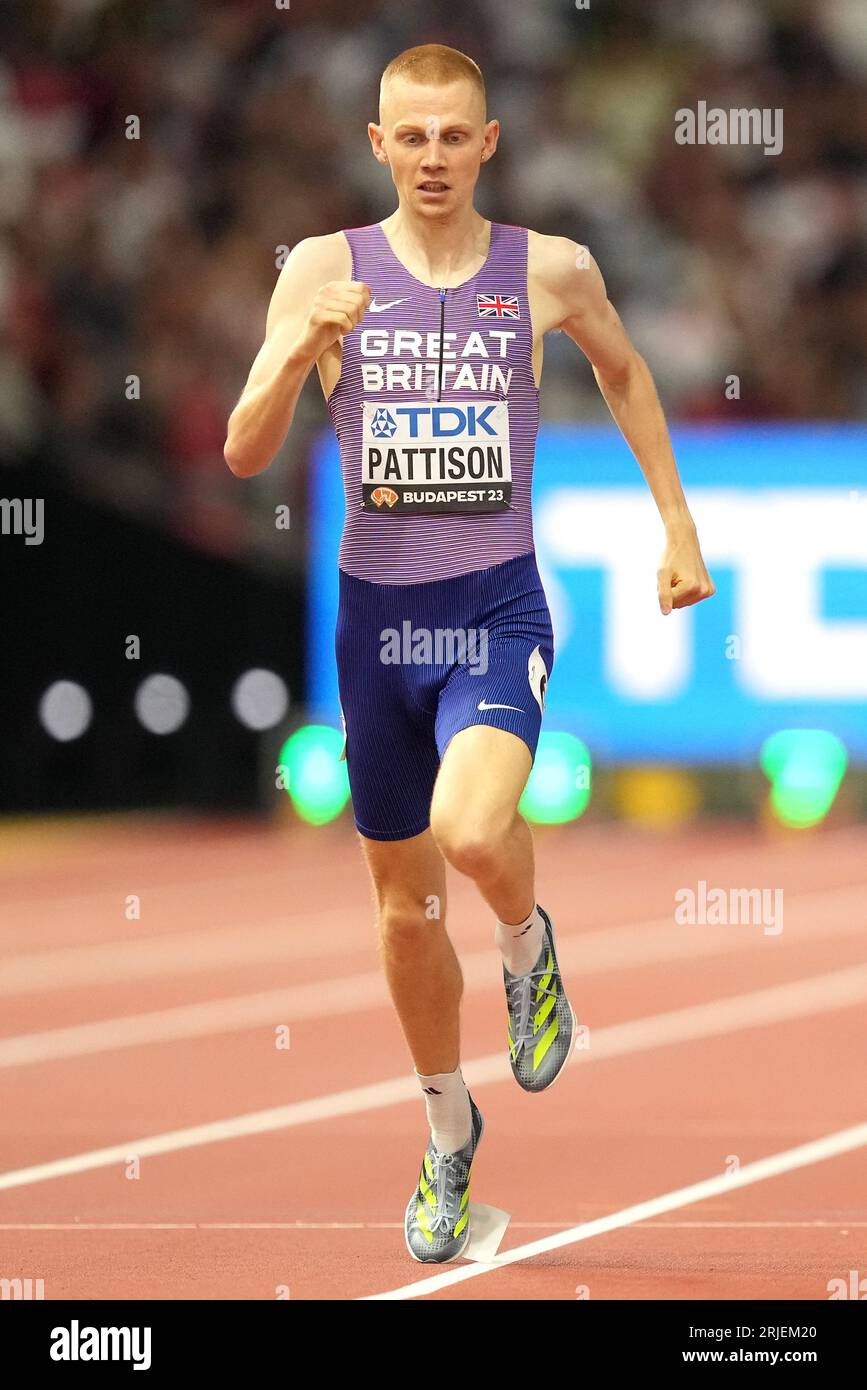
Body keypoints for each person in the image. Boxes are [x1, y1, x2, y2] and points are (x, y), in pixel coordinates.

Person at [224, 43, 715, 1264]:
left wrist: (678, 522)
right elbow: (242, 449)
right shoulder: (323, 270)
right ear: (377, 146)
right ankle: (450, 1133)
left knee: (477, 832)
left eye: (456, 136)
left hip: (494, 609)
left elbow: (627, 369)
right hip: (372, 626)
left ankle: (526, 948)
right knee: (400, 915)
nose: (434, 157)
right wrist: (297, 351)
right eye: (413, 137)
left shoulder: (548, 268)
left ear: (488, 142)